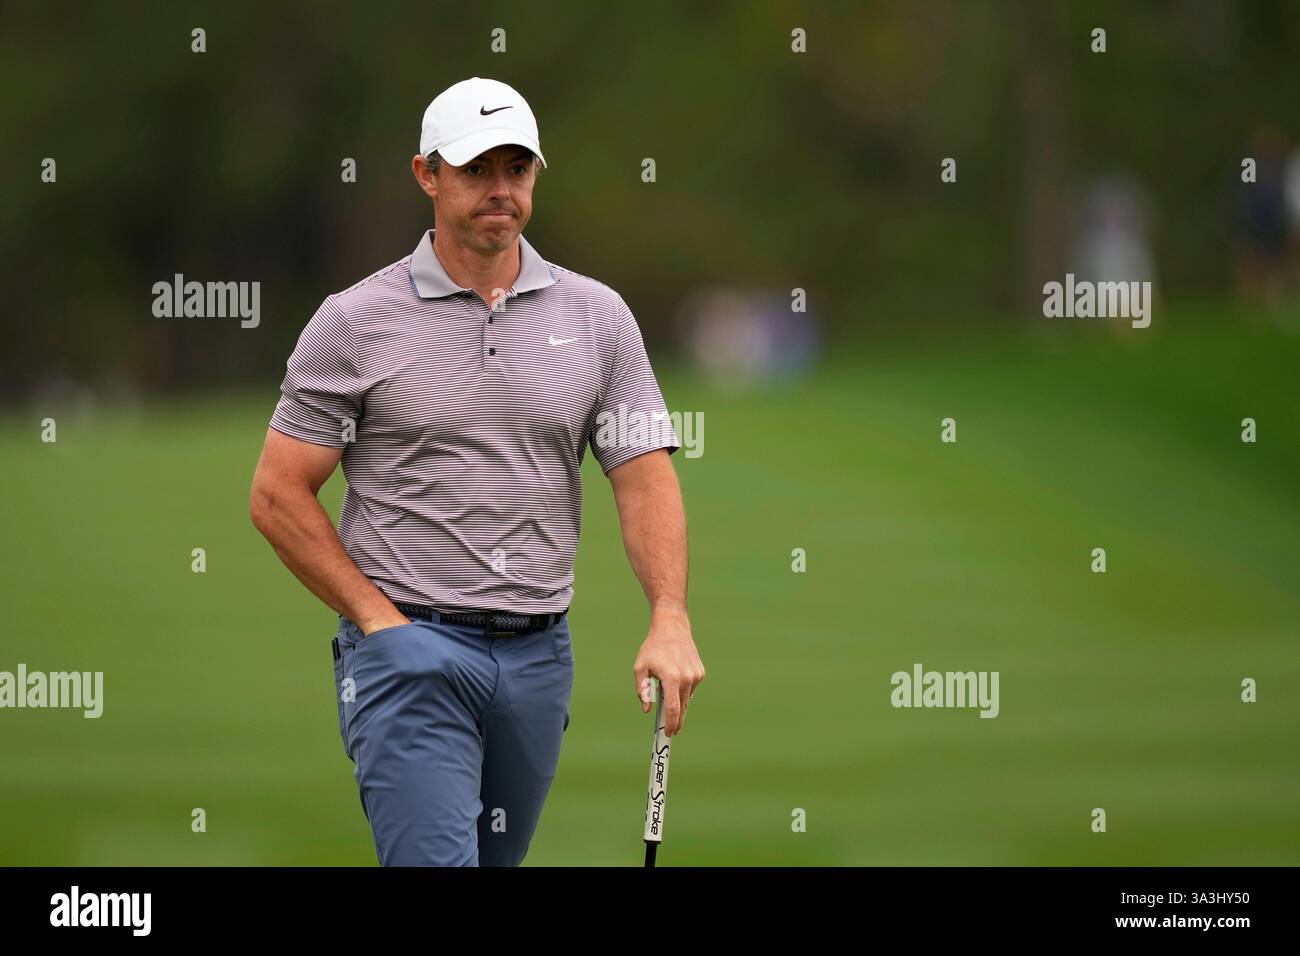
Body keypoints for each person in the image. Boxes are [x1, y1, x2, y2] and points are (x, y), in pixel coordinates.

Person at [248, 77, 705, 866]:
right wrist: (379, 623)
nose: (501, 190)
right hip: (410, 649)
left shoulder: (599, 317)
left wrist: (670, 615)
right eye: (477, 169)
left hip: (538, 659)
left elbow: (643, 475)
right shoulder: (355, 320)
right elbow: (277, 492)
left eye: (517, 169)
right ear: (427, 174)